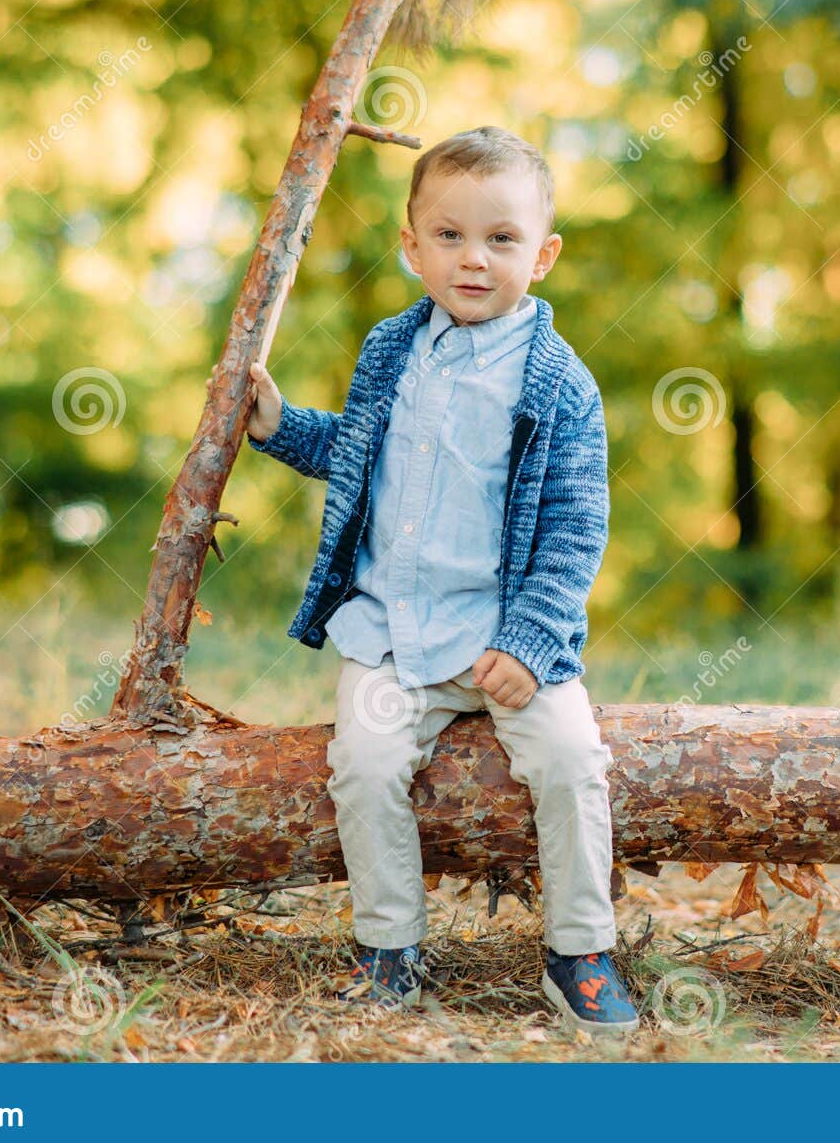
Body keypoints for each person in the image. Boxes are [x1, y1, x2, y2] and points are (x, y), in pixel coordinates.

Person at [245, 126, 637, 1036]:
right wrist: (279, 425)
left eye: (501, 239)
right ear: (411, 247)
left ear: (543, 256)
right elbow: (359, 455)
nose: (473, 258)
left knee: (574, 761)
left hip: (508, 638)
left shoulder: (559, 381)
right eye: (450, 235)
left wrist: (533, 643)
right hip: (395, 630)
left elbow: (578, 529)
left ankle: (579, 950)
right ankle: (391, 950)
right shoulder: (391, 350)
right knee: (365, 763)